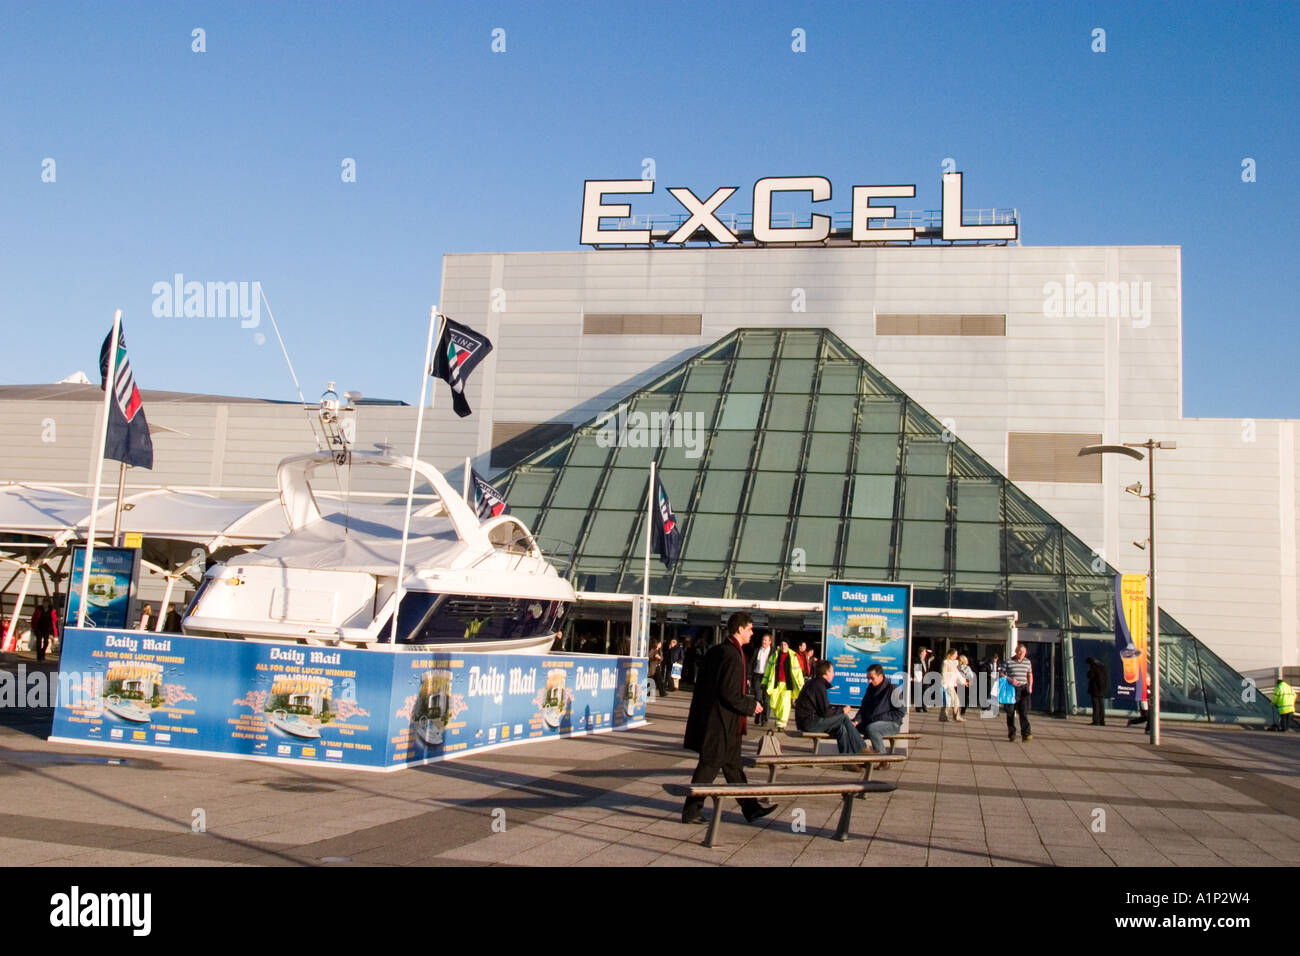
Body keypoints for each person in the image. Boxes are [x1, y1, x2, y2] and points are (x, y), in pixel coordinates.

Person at [680, 612, 777, 826]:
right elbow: (729, 693)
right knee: (709, 767)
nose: (753, 633)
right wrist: (753, 705)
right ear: (740, 629)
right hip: (721, 723)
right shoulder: (732, 655)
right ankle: (691, 811)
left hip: (722, 722)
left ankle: (750, 808)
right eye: (750, 629)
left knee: (733, 767)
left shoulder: (721, 651)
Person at [794, 660, 864, 754]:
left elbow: (823, 707)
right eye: (832, 671)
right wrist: (842, 710)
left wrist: (838, 709)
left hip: (808, 721)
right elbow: (825, 712)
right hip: (809, 722)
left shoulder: (814, 683)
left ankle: (848, 759)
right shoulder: (819, 685)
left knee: (841, 728)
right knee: (843, 717)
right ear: (827, 673)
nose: (833, 674)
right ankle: (862, 748)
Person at [856, 664, 907, 753]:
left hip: (892, 723)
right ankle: (862, 753)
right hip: (872, 721)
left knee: (872, 728)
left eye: (872, 678)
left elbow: (900, 712)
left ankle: (883, 759)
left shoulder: (893, 689)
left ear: (880, 676)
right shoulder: (870, 689)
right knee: (849, 727)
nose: (869, 681)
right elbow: (863, 708)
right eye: (868, 678)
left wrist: (877, 718)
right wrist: (856, 720)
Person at [762, 639, 805, 730]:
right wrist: (764, 682)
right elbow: (768, 670)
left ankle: (781, 724)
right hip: (776, 684)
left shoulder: (793, 657)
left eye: (785, 644)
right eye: (781, 644)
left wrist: (802, 685)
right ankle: (779, 719)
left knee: (784, 705)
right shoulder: (774, 656)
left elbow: (798, 672)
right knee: (773, 703)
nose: (783, 646)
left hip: (787, 685)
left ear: (788, 646)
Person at [1004, 644, 1033, 741]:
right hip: (1011, 689)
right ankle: (1012, 733)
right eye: (1019, 651)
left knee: (1023, 712)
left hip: (1023, 689)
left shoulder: (1027, 662)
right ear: (1016, 651)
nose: (1021, 653)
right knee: (1010, 712)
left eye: (1023, 652)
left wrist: (1030, 686)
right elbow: (1001, 673)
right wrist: (1010, 679)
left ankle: (1026, 734)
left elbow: (1029, 674)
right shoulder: (1009, 661)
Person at [749, 632, 773, 726]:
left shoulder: (773, 652)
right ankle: (758, 715)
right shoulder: (757, 650)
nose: (764, 642)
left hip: (768, 677)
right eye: (763, 640)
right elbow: (751, 663)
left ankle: (765, 719)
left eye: (766, 640)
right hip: (758, 675)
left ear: (770, 642)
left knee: (766, 700)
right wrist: (749, 677)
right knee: (758, 698)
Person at [940, 649, 965, 722]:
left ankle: (943, 717)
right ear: (951, 654)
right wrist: (944, 684)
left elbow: (957, 673)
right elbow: (943, 673)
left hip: (951, 685)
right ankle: (955, 717)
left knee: (949, 701)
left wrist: (963, 681)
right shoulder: (946, 662)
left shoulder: (953, 663)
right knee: (954, 701)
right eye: (955, 654)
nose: (957, 656)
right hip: (947, 685)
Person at [1086, 656, 1110, 726]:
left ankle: (1096, 721)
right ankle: (1102, 721)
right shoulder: (1103, 666)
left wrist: (1089, 670)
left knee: (1095, 705)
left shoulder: (1093, 666)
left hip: (1095, 688)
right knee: (1101, 705)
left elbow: (1089, 675)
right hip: (1102, 688)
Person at [914, 647, 932, 712]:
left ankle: (924, 706)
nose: (926, 653)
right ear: (921, 652)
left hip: (926, 678)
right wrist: (915, 677)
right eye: (925, 652)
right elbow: (916, 669)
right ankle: (918, 707)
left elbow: (933, 655)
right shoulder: (916, 659)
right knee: (918, 693)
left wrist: (928, 650)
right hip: (919, 678)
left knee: (925, 692)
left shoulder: (926, 659)